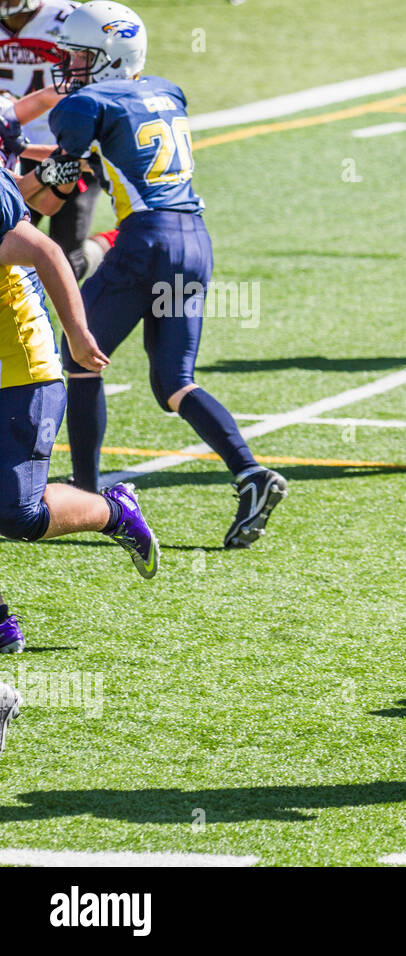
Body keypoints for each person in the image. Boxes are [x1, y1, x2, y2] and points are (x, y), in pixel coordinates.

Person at [19, 0, 285, 547]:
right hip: (193, 237)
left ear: (107, 55)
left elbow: (63, 184)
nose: (69, 64)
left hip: (145, 241)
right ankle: (251, 473)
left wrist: (42, 170)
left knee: (80, 354)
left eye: (78, 55)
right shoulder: (166, 89)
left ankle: (90, 490)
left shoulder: (87, 100)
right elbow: (111, 155)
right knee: (174, 382)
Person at [0, 156, 161, 658]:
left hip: (21, 365)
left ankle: (115, 511)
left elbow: (45, 251)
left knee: (16, 513)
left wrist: (77, 333)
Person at [0, 0, 117, 280]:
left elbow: (54, 94)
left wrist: (52, 166)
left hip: (70, 142)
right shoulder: (8, 116)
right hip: (21, 150)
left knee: (67, 261)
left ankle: (112, 241)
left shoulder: (73, 18)